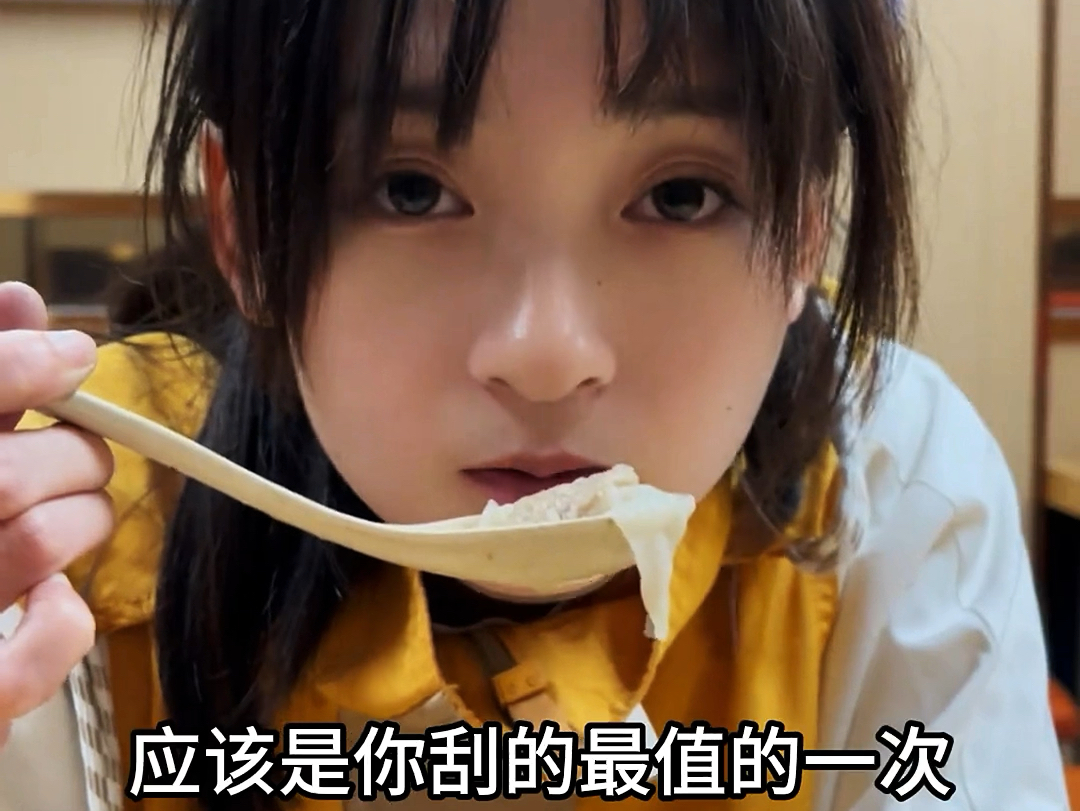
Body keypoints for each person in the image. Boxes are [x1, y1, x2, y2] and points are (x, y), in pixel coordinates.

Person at [0, 0, 1067, 809]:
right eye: (410, 189)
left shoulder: (889, 491)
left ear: (804, 228)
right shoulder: (68, 533)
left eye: (681, 194)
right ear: (247, 229)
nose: (548, 358)